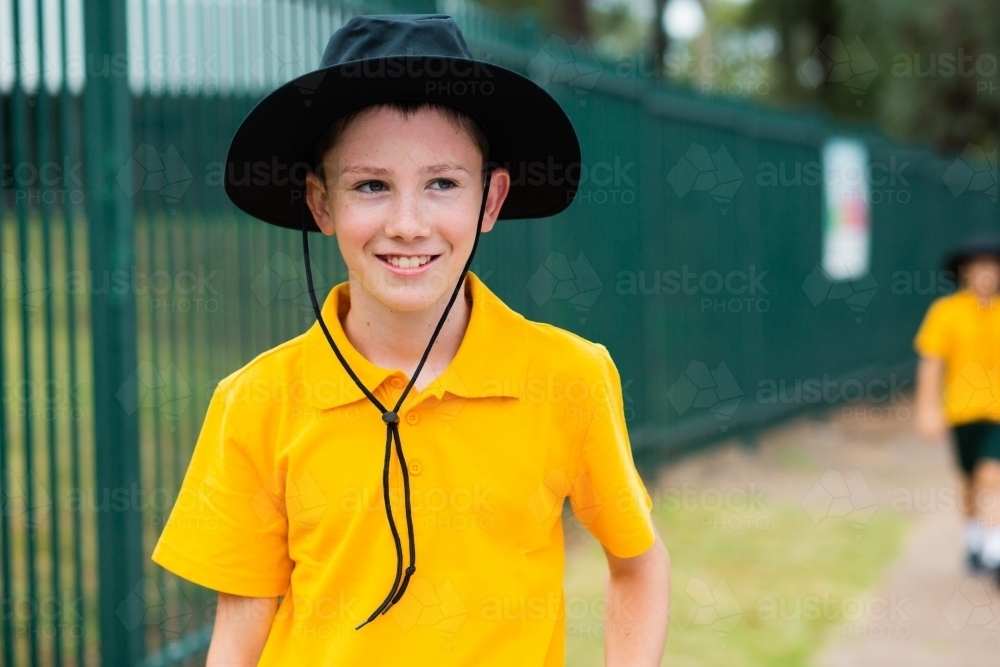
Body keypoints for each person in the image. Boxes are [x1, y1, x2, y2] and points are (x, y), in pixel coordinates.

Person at [150, 14, 670, 666]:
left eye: (442, 184)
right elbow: (240, 631)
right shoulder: (255, 402)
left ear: (491, 199)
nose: (407, 223)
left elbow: (639, 565)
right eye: (371, 185)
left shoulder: (568, 376)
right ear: (320, 204)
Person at [914, 230, 1000, 582]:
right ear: (965, 272)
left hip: (996, 411)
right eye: (980, 267)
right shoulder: (947, 312)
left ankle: (995, 550)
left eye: (993, 267)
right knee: (968, 481)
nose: (987, 275)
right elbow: (932, 363)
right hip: (961, 410)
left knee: (991, 475)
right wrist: (926, 410)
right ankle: (974, 538)